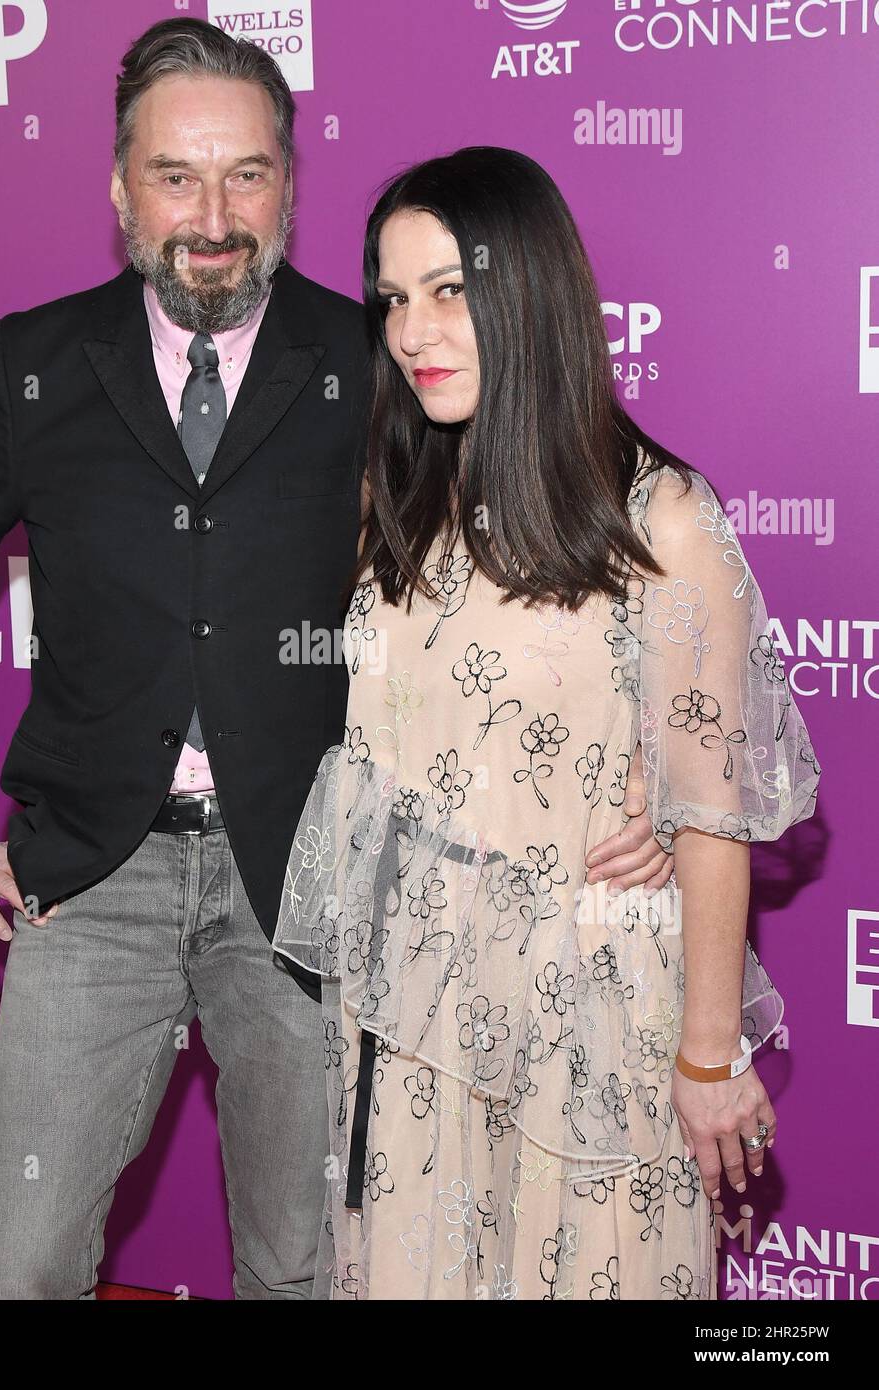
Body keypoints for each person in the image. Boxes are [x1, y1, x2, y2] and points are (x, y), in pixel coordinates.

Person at [0, 21, 671, 1300]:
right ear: (120, 190)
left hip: (311, 882)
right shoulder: (35, 367)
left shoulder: (370, 358)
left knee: (298, 1268)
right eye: (176, 175)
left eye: (247, 175)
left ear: (289, 182)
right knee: (19, 1264)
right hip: (89, 882)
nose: (212, 215)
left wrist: (654, 773)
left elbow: (557, 531)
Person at [272, 146, 821, 1300]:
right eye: (391, 300)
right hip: (414, 1012)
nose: (413, 331)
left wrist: (707, 1058)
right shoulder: (398, 499)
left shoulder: (660, 519)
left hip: (586, 1017)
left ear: (527, 291)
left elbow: (711, 817)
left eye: (447, 291)